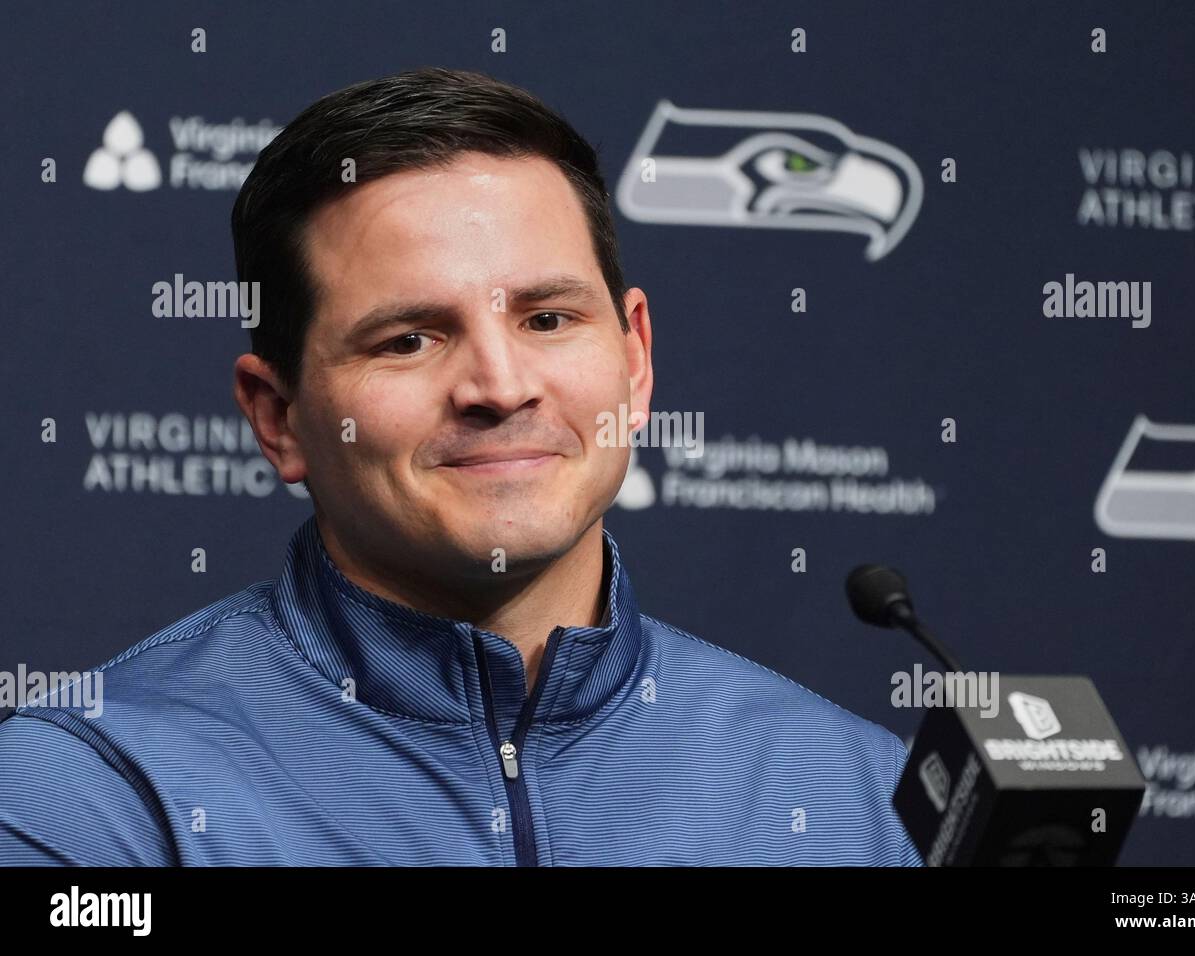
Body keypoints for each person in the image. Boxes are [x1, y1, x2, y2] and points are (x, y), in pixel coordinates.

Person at [0, 67, 922, 866]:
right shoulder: (90, 794)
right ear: (278, 418)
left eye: (548, 319)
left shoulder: (864, 797)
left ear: (636, 361)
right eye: (408, 339)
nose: (499, 385)